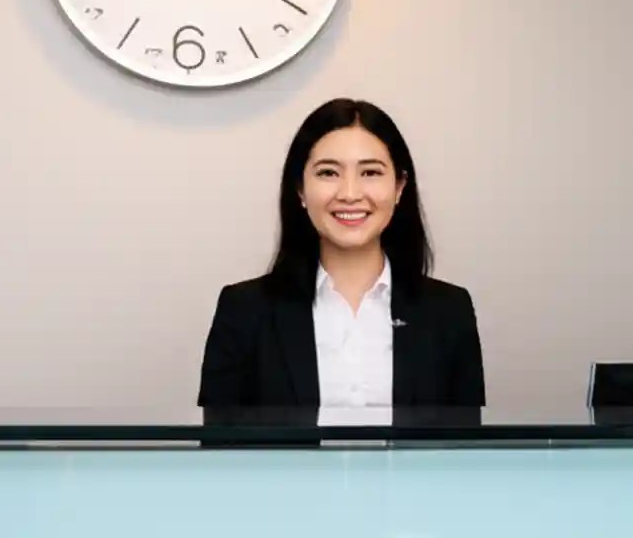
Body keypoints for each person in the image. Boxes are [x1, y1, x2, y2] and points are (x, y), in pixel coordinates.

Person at [198, 98, 485, 407]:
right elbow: (220, 451)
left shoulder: (449, 312)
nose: (349, 194)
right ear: (300, 189)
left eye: (371, 173)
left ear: (400, 186)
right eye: (328, 173)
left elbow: (463, 449)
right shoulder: (244, 311)